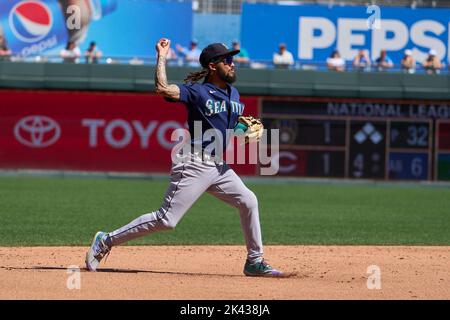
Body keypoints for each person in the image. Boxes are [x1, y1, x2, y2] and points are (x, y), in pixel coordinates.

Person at [85, 38, 285, 277]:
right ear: (213, 66)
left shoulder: (234, 94)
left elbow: (232, 131)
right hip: (194, 162)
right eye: (228, 60)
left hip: (218, 166)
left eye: (233, 60)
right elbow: (162, 88)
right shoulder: (197, 92)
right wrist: (162, 57)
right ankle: (105, 240)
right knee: (167, 220)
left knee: (249, 200)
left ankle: (254, 261)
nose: (233, 64)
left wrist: (245, 132)